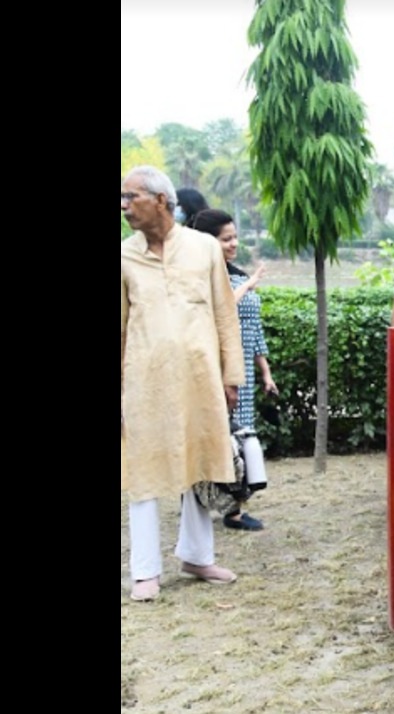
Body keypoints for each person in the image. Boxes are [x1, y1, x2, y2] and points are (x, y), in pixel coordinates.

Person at [122, 165, 244, 601]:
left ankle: (196, 555)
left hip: (199, 378)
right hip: (143, 382)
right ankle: (145, 572)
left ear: (160, 200)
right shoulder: (124, 255)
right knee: (143, 470)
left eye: (130, 197)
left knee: (201, 464)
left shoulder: (204, 249)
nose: (123, 206)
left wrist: (232, 376)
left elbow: (224, 315)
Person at [189, 208, 278, 531]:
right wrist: (251, 283)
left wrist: (265, 372)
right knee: (215, 440)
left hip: (240, 373)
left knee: (241, 441)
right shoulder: (202, 279)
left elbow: (253, 330)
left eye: (235, 237)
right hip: (213, 369)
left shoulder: (236, 276)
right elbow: (221, 308)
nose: (233, 244)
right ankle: (213, 504)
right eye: (226, 239)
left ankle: (234, 507)